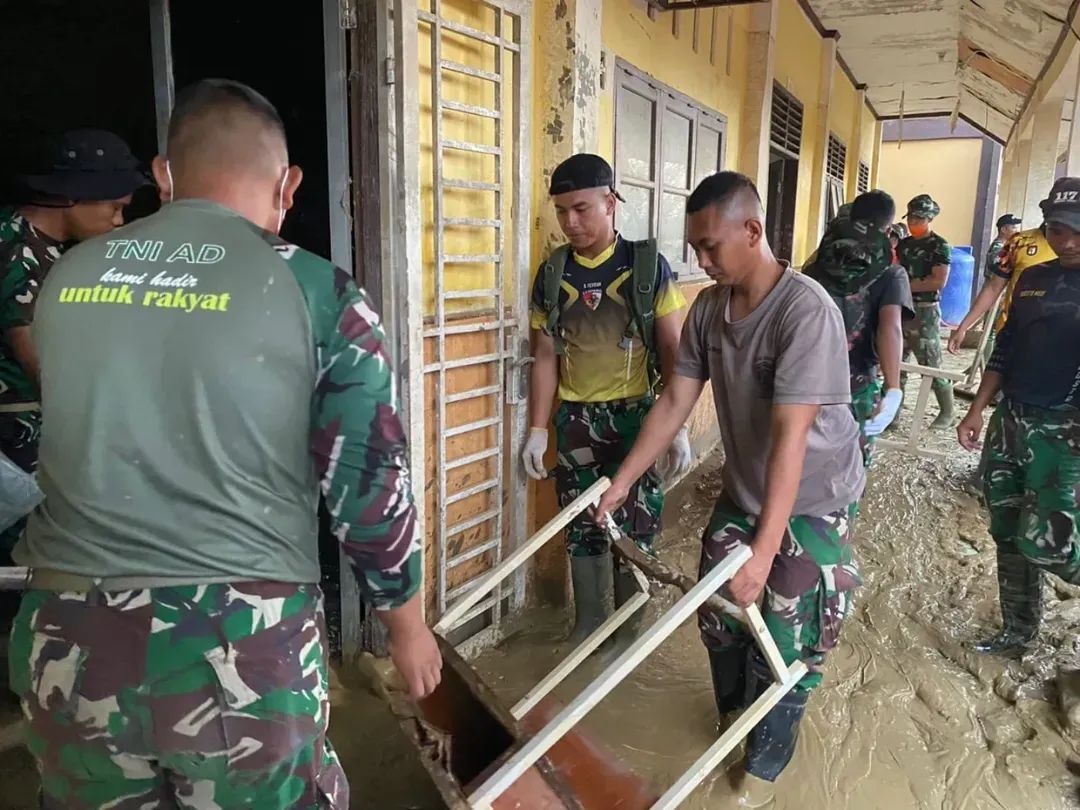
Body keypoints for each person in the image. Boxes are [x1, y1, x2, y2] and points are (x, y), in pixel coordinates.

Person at [7, 79, 441, 809]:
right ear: (290, 183)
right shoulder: (318, 293)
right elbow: (368, 487)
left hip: (65, 642)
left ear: (164, 175)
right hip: (238, 650)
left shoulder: (67, 277)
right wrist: (406, 621)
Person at [595, 172, 864, 803]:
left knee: (790, 636)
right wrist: (621, 483)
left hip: (813, 500)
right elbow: (675, 401)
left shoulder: (805, 311)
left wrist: (766, 554)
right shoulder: (710, 311)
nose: (702, 260)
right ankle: (731, 722)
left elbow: (790, 438)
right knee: (717, 615)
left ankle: (761, 769)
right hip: (746, 491)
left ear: (753, 230)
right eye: (695, 248)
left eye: (712, 246)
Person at [523, 154, 690, 652]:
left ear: (611, 202)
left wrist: (676, 423)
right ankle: (590, 626)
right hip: (575, 423)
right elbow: (546, 355)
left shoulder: (645, 268)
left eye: (581, 209)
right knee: (582, 525)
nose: (570, 222)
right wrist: (538, 429)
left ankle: (629, 636)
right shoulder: (552, 275)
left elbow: (674, 354)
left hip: (637, 418)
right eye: (561, 212)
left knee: (634, 529)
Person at [0, 130, 146, 558]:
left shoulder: (38, 245)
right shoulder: (17, 251)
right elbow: (37, 361)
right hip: (17, 440)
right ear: (74, 195)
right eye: (114, 207)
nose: (118, 221)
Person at [957, 177, 1080, 656]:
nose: (1065, 240)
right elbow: (1005, 349)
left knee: (1052, 544)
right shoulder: (1033, 278)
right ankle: (1018, 631)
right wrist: (975, 410)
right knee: (1006, 530)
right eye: (1056, 229)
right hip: (1011, 420)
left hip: (1066, 431)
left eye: (1074, 231)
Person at [804, 190, 913, 465]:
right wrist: (893, 387)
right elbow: (891, 328)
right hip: (857, 385)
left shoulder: (815, 264)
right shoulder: (890, 271)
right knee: (850, 468)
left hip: (805, 383)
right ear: (888, 228)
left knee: (804, 464)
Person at [947, 222, 1055, 357]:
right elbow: (993, 288)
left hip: (1062, 340)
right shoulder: (1019, 242)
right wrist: (963, 327)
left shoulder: (1073, 249)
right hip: (1014, 335)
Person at [897, 194, 954, 429]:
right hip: (902, 308)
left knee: (930, 364)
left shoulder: (939, 246)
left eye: (919, 218)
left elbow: (937, 281)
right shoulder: (904, 244)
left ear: (930, 218)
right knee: (896, 362)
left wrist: (903, 285)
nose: (913, 222)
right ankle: (892, 413)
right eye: (910, 217)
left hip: (925, 312)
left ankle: (947, 412)